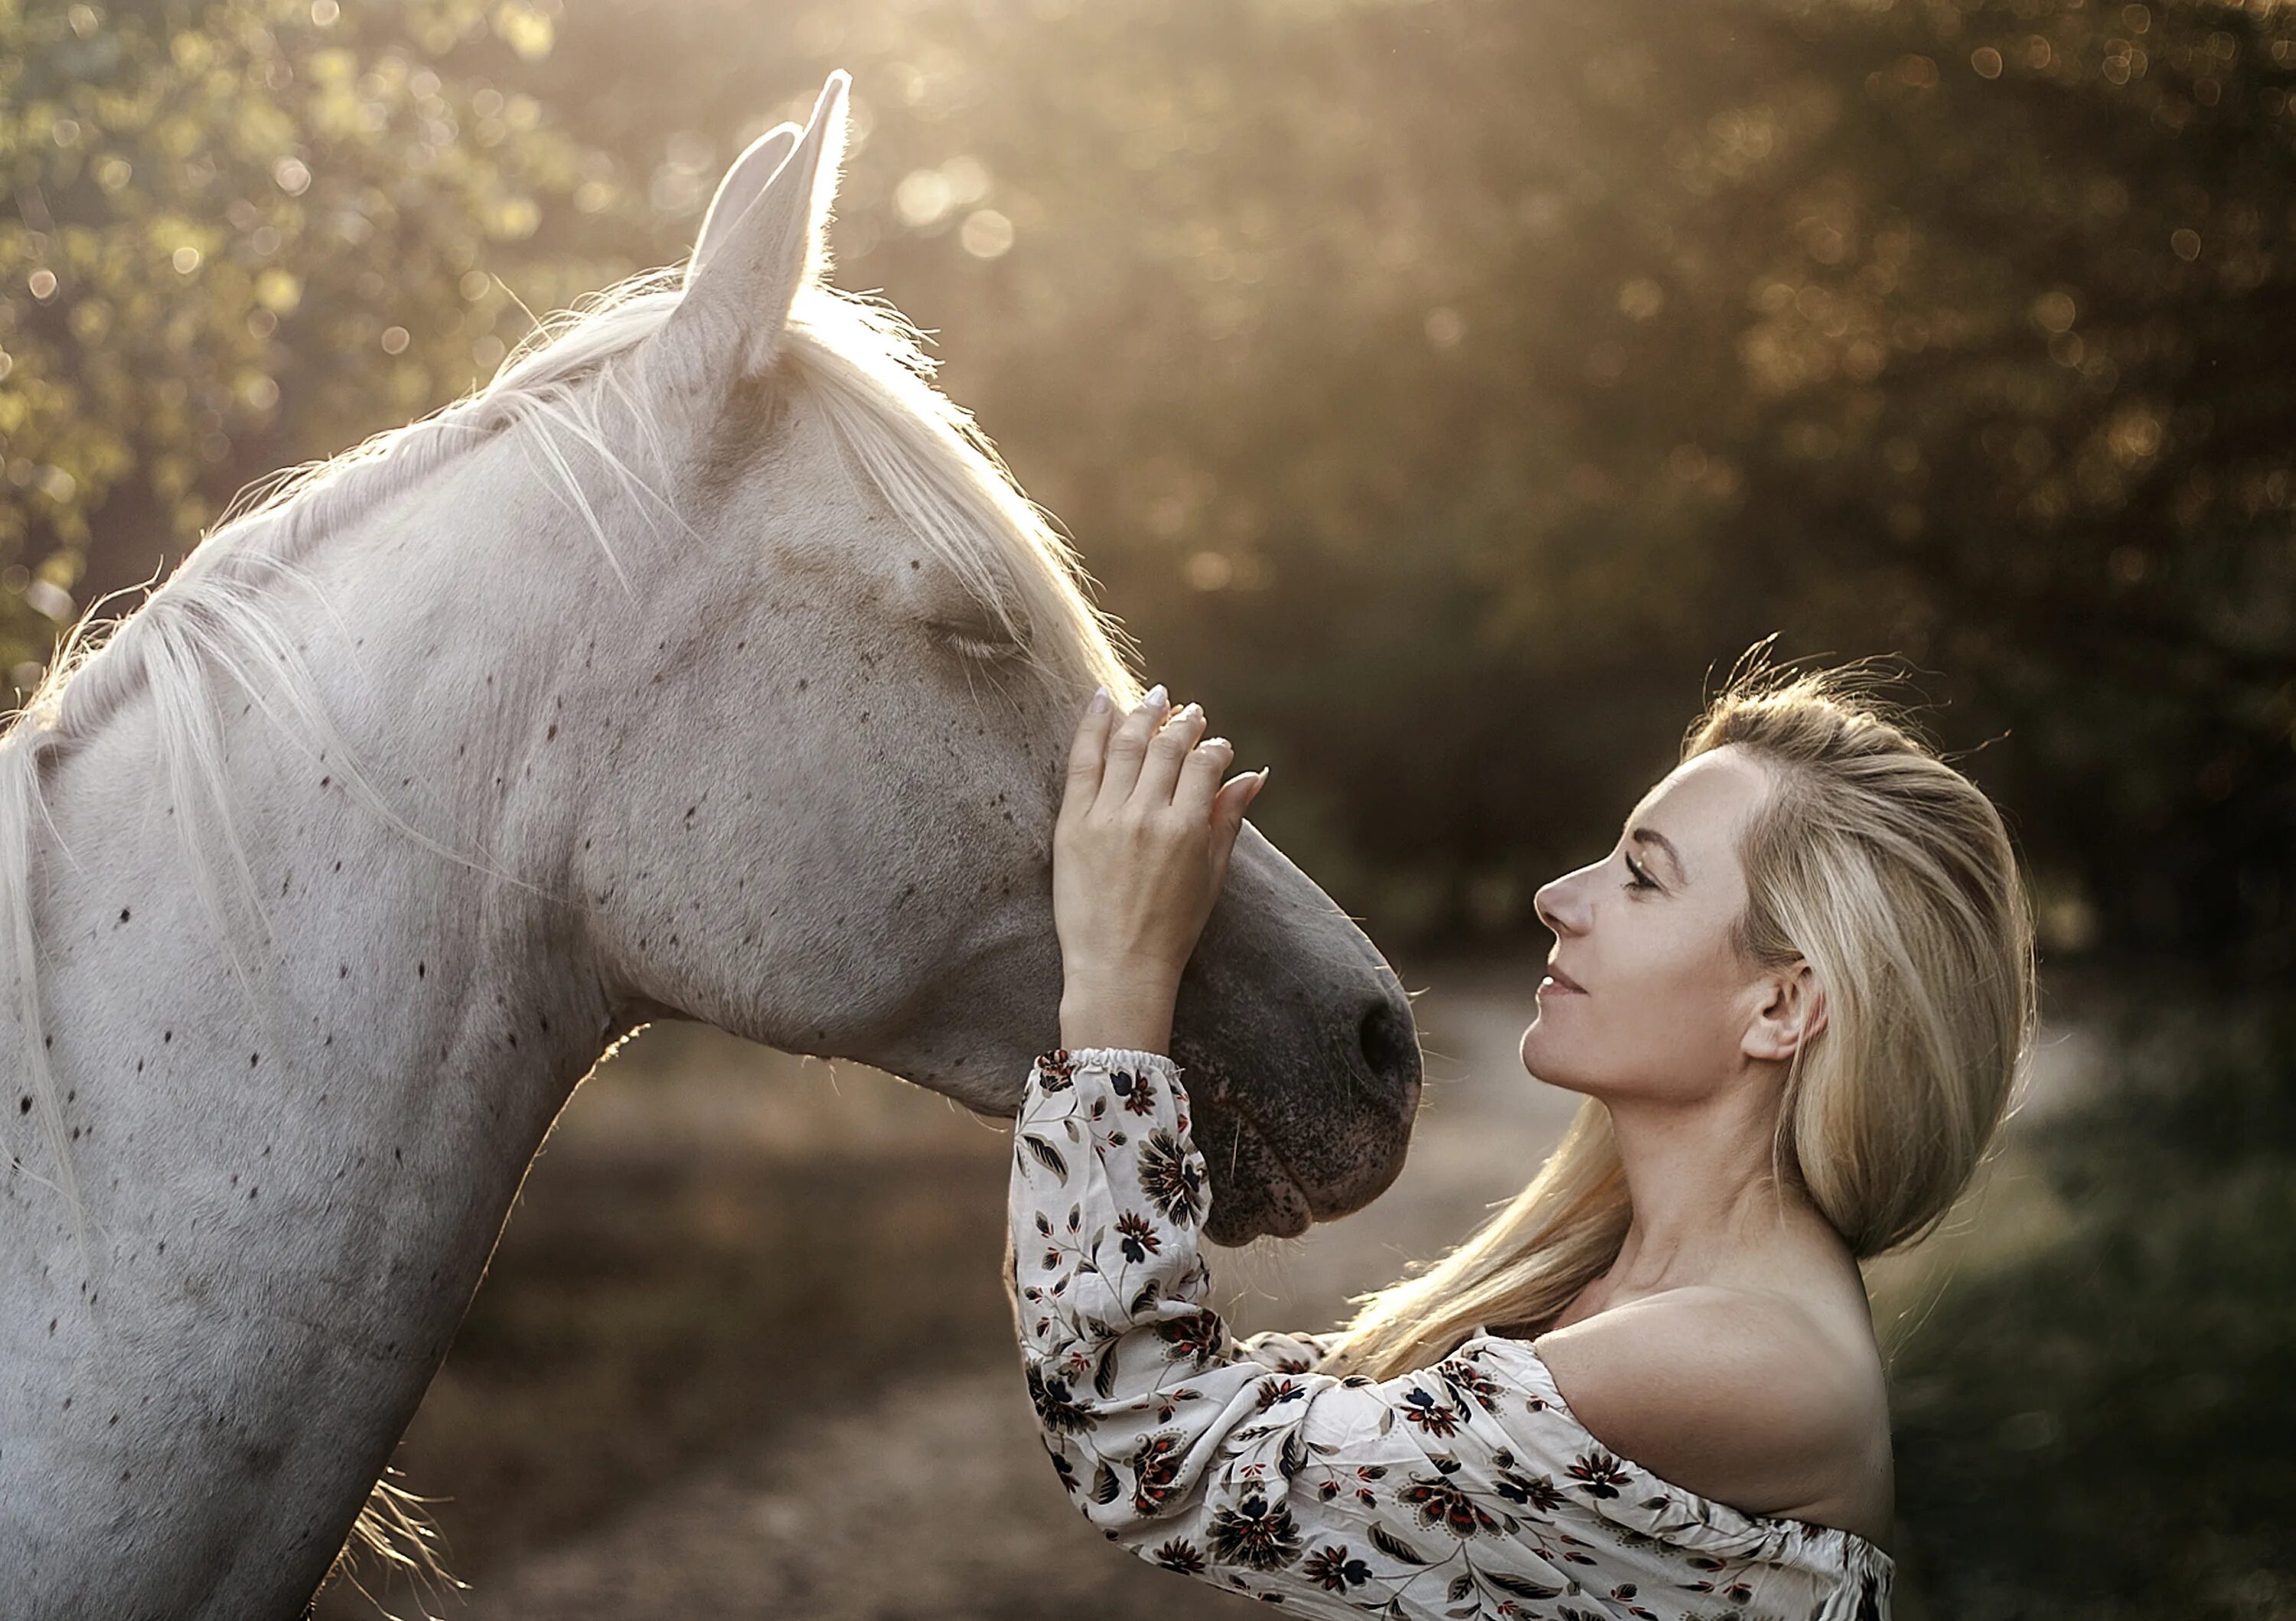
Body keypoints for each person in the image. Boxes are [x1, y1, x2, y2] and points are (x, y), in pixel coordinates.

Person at [1006, 660, 2036, 1620]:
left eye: (1642, 875)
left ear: (1780, 1005)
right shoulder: (1629, 1297)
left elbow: (1155, 1449)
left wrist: (1117, 971)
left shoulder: (1744, 1363)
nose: (1558, 896)